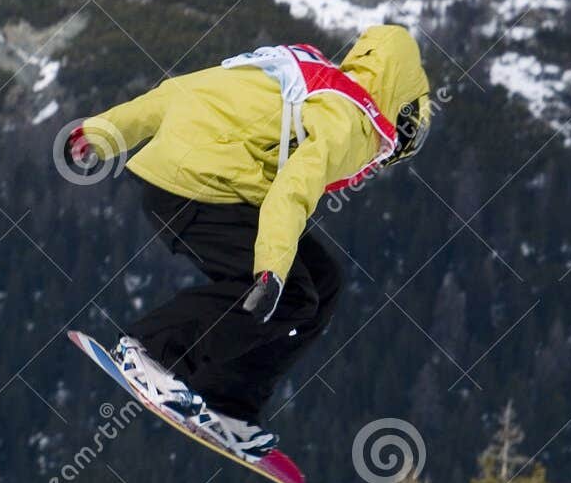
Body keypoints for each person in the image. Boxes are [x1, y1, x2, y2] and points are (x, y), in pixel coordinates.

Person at [65, 24, 431, 457]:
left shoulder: (301, 72)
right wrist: (271, 269)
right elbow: (294, 188)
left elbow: (186, 91)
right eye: (406, 142)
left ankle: (229, 402)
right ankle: (151, 352)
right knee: (290, 294)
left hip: (185, 182)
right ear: (401, 111)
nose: (390, 157)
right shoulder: (354, 121)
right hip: (200, 189)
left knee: (323, 279)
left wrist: (107, 130)